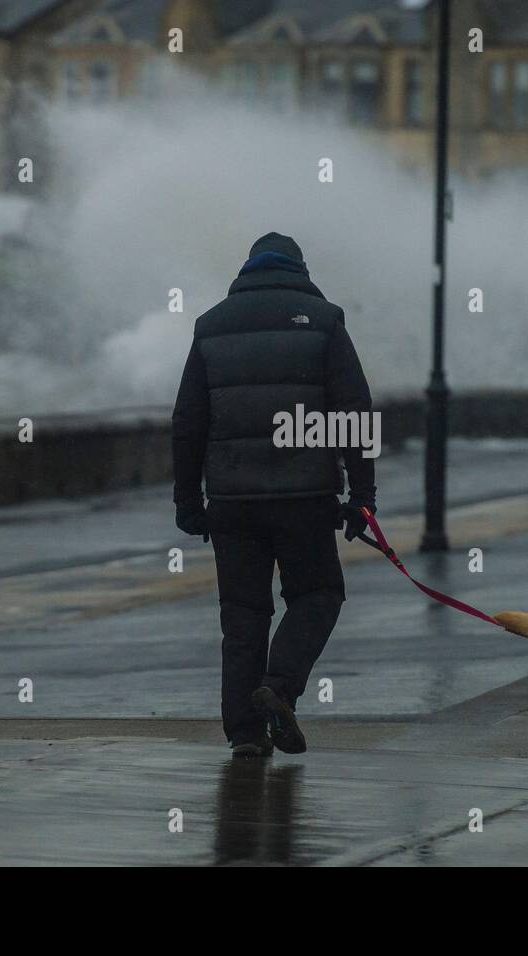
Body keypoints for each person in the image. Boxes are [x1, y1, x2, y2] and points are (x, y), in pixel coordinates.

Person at [171, 232, 376, 757]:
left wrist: (188, 503)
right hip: (305, 496)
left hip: (233, 502)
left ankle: (244, 735)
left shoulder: (210, 325)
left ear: (248, 269)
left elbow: (188, 423)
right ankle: (279, 687)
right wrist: (362, 497)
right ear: (298, 269)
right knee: (317, 594)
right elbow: (354, 412)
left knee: (242, 613)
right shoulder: (325, 320)